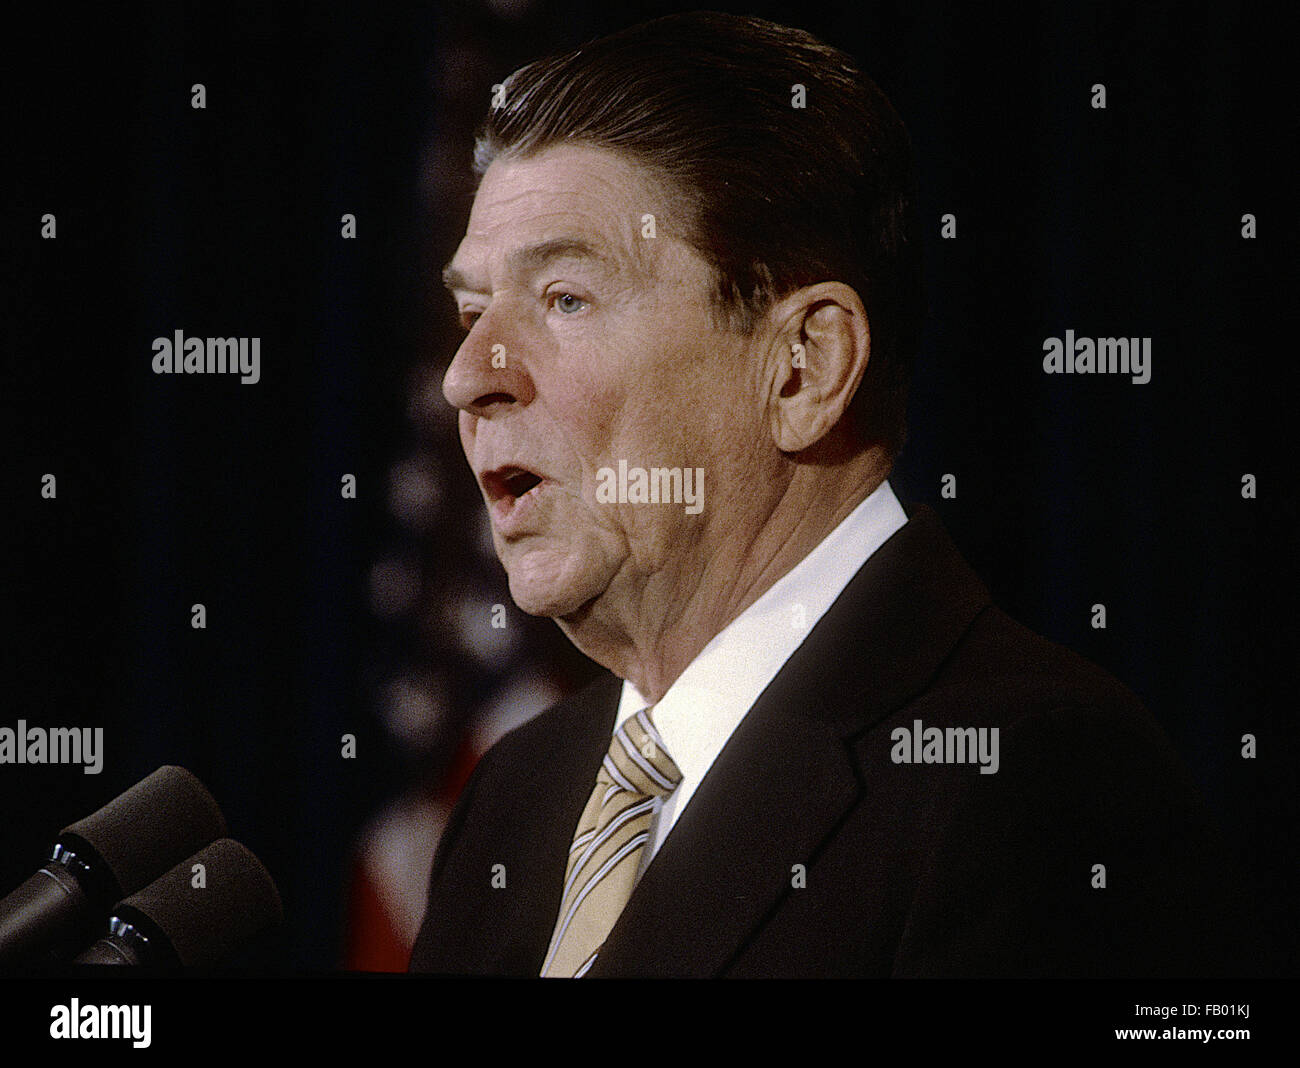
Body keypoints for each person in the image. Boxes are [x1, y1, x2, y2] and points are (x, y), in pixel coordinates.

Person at [409, 11, 1242, 977]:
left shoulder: (1029, 779)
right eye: (471, 312)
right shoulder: (517, 794)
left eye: (564, 298)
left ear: (802, 368)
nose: (467, 375)